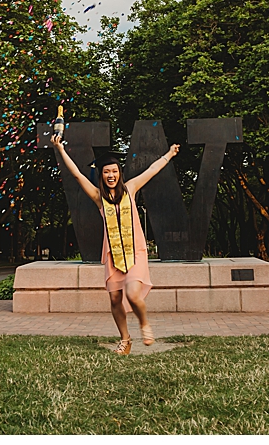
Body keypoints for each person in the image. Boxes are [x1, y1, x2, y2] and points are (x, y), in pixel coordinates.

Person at [52, 135, 180, 355]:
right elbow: (77, 174)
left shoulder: (131, 188)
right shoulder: (98, 197)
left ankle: (144, 324)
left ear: (119, 173)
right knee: (114, 298)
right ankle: (125, 339)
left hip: (135, 252)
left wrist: (169, 154)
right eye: (106, 172)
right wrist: (60, 149)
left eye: (114, 171)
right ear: (101, 175)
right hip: (113, 255)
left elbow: (152, 170)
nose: (111, 175)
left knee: (132, 294)